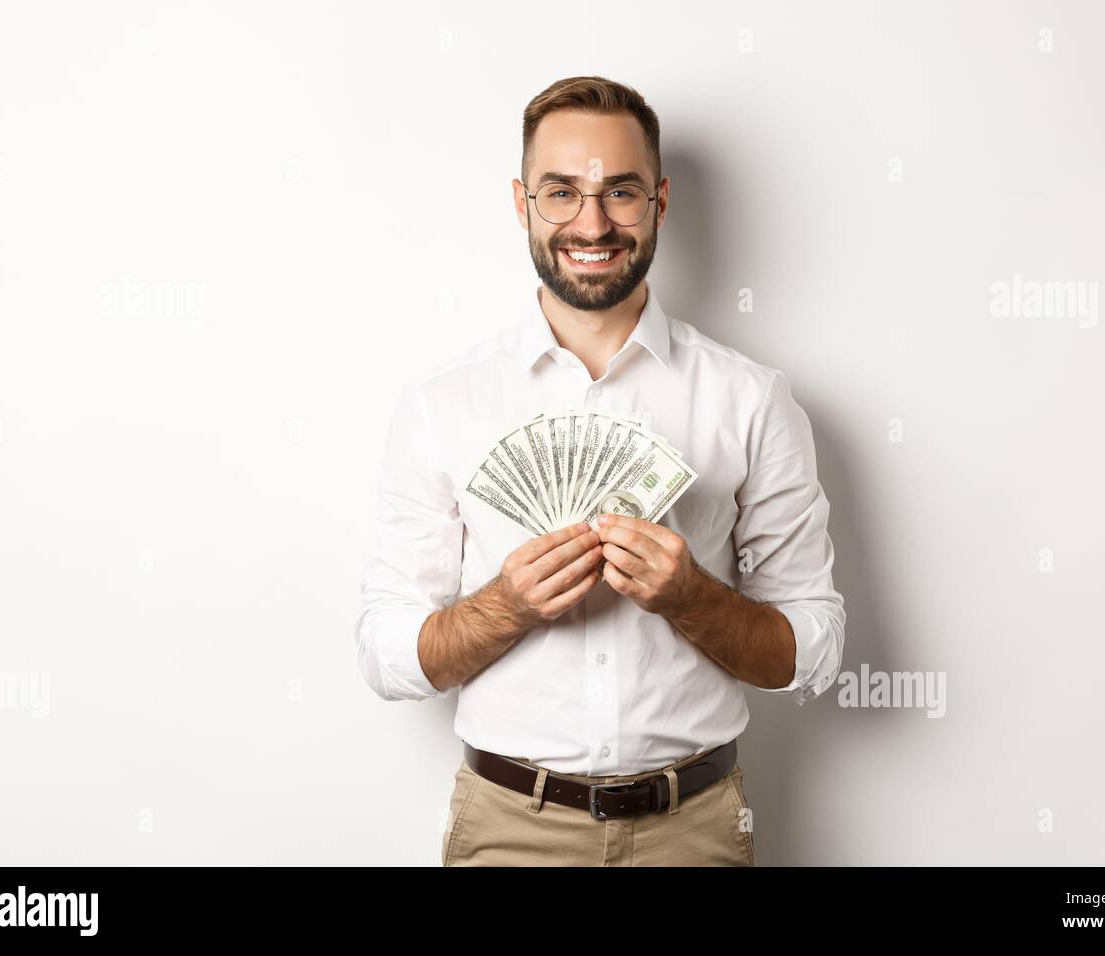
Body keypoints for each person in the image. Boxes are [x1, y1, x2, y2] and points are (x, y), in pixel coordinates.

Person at [355, 76, 846, 866]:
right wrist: (504, 607)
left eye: (620, 191)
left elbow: (814, 650)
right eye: (562, 192)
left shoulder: (752, 399)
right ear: (522, 203)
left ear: (660, 201)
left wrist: (692, 600)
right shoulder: (440, 404)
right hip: (508, 827)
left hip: (697, 827)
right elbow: (384, 651)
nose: (592, 222)